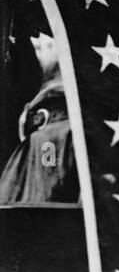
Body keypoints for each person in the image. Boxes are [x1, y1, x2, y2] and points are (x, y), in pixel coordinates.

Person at [0, 32, 77, 204]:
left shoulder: (51, 141)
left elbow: (48, 179)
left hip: (53, 137)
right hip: (39, 138)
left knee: (46, 189)